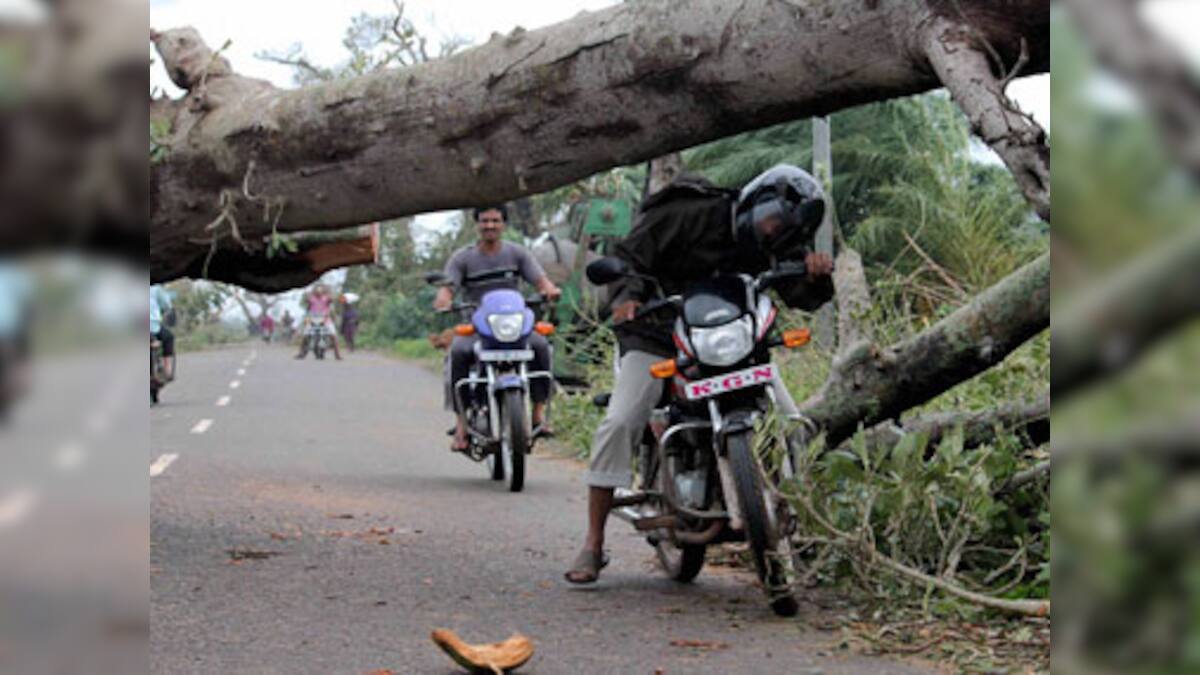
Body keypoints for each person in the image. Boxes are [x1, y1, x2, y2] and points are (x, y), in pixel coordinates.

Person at [564, 165, 836, 584]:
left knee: (795, 423)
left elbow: (799, 293)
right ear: (754, 204)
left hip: (731, 340)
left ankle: (807, 534)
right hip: (656, 332)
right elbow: (629, 257)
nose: (773, 233)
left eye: (783, 230)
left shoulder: (772, 241)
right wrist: (629, 297)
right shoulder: (685, 213)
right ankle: (593, 543)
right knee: (619, 420)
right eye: (772, 220)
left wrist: (816, 277)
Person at [432, 205, 562, 452]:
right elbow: (447, 289)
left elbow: (541, 281)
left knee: (541, 346)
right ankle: (461, 424)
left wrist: (549, 290)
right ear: (477, 224)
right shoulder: (463, 258)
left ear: (503, 224)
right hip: (477, 327)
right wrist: (443, 299)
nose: (490, 225)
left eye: (495, 220)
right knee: (458, 353)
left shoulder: (518, 254)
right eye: (484, 221)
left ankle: (538, 414)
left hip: (515, 326)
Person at [295, 283, 343, 360]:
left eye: (320, 290)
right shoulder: (311, 298)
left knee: (333, 335)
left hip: (325, 319)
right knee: (305, 335)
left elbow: (332, 299)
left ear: (323, 291)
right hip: (312, 319)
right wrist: (308, 294)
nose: (319, 292)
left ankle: (337, 354)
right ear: (314, 291)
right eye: (317, 290)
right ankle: (301, 353)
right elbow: (306, 300)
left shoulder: (326, 298)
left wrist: (331, 294)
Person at [149, 284, 176, 380]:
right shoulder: (155, 288)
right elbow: (166, 304)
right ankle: (167, 370)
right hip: (151, 325)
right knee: (169, 337)